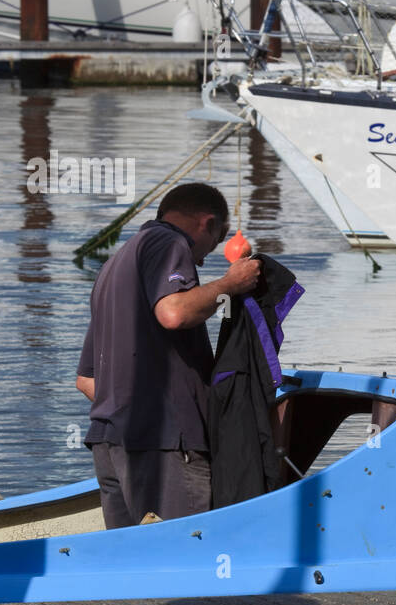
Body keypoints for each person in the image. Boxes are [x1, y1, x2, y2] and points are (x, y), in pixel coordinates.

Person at [75, 183, 261, 529]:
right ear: (207, 224)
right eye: (215, 242)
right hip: (163, 445)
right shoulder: (169, 242)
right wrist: (229, 284)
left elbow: (87, 380)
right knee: (187, 557)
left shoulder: (114, 265)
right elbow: (173, 313)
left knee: (135, 564)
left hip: (110, 443)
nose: (202, 260)